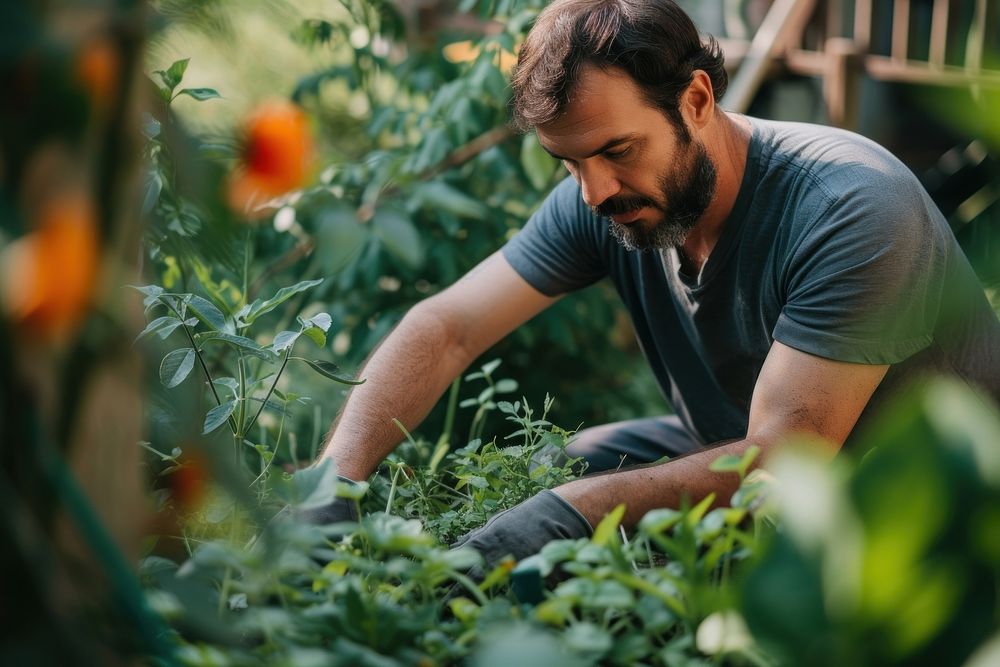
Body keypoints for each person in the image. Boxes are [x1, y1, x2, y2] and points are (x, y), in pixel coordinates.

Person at [306, 0, 1000, 567]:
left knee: (570, 505)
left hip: (936, 509)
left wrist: (569, 515)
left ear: (696, 100)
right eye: (568, 162)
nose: (593, 192)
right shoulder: (607, 197)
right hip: (761, 453)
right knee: (553, 467)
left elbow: (788, 455)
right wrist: (331, 482)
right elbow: (447, 327)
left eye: (617, 150)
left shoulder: (850, 205)